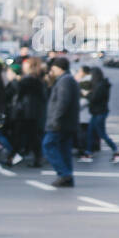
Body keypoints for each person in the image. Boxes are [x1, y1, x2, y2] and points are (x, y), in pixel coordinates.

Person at [42, 56, 79, 187]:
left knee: (48, 145)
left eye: (53, 68)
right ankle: (67, 176)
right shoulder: (67, 79)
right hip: (66, 123)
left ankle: (64, 174)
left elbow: (62, 103)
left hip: (60, 123)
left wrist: (55, 120)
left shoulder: (65, 81)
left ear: (58, 68)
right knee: (64, 149)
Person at [83, 67, 119, 163]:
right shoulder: (100, 84)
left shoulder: (100, 85)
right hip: (97, 112)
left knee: (102, 133)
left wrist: (87, 94)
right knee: (90, 132)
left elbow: (94, 98)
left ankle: (116, 150)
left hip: (100, 112)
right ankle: (88, 152)